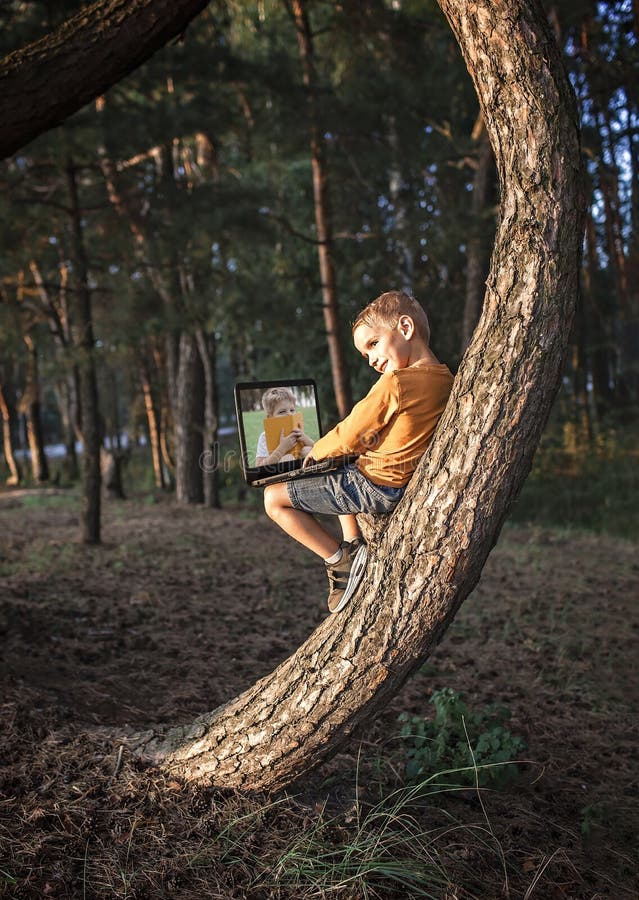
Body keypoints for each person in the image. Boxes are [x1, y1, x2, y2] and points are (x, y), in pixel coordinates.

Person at [264, 290, 454, 613]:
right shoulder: (446, 379)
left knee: (273, 498)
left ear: (405, 329)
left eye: (373, 344)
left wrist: (318, 451)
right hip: (393, 480)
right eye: (365, 355)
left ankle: (339, 560)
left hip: (376, 485)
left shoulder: (396, 382)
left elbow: (352, 430)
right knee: (342, 462)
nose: (371, 359)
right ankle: (354, 544)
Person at [255, 386, 314, 466]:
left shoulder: (297, 429)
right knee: (287, 458)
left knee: (307, 450)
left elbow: (320, 450)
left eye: (292, 410)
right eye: (282, 412)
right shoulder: (264, 437)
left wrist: (306, 439)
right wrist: (282, 448)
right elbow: (259, 466)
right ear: (270, 418)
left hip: (302, 467)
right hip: (281, 474)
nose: (289, 414)